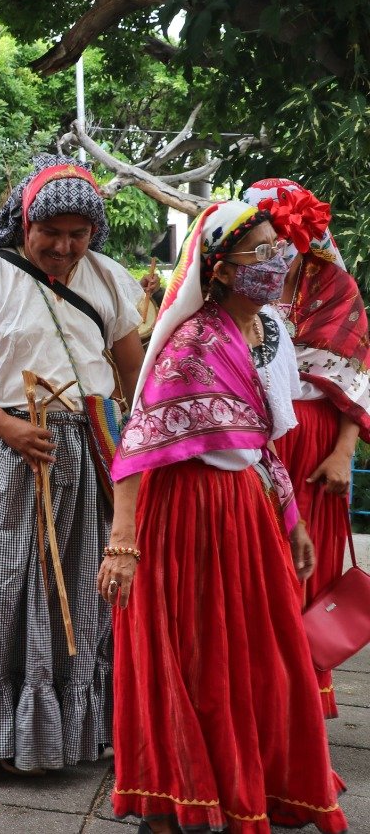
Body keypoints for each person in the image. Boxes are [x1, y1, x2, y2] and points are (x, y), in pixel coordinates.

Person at [105, 200, 347, 833]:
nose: (278, 262)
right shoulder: (193, 344)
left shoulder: (265, 330)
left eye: (278, 248)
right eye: (261, 252)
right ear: (218, 268)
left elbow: (262, 443)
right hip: (188, 515)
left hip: (246, 509)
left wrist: (292, 520)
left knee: (262, 654)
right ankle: (174, 798)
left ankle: (248, 780)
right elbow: (136, 446)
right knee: (195, 658)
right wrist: (122, 546)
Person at [0, 155, 144, 774]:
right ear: (25, 224)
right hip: (5, 452)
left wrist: (133, 443)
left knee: (74, 591)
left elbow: (131, 371)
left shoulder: (108, 279)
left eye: (78, 234)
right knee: (0, 591)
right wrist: (8, 427)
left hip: (83, 453)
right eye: (52, 231)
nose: (64, 245)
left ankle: (68, 731)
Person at [243, 178, 369, 718]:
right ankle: (250, 697)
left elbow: (358, 375)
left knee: (305, 569)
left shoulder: (336, 287)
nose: (277, 251)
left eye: (287, 239)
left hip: (315, 445)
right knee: (251, 568)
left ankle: (298, 704)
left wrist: (344, 452)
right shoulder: (232, 282)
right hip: (250, 438)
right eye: (265, 240)